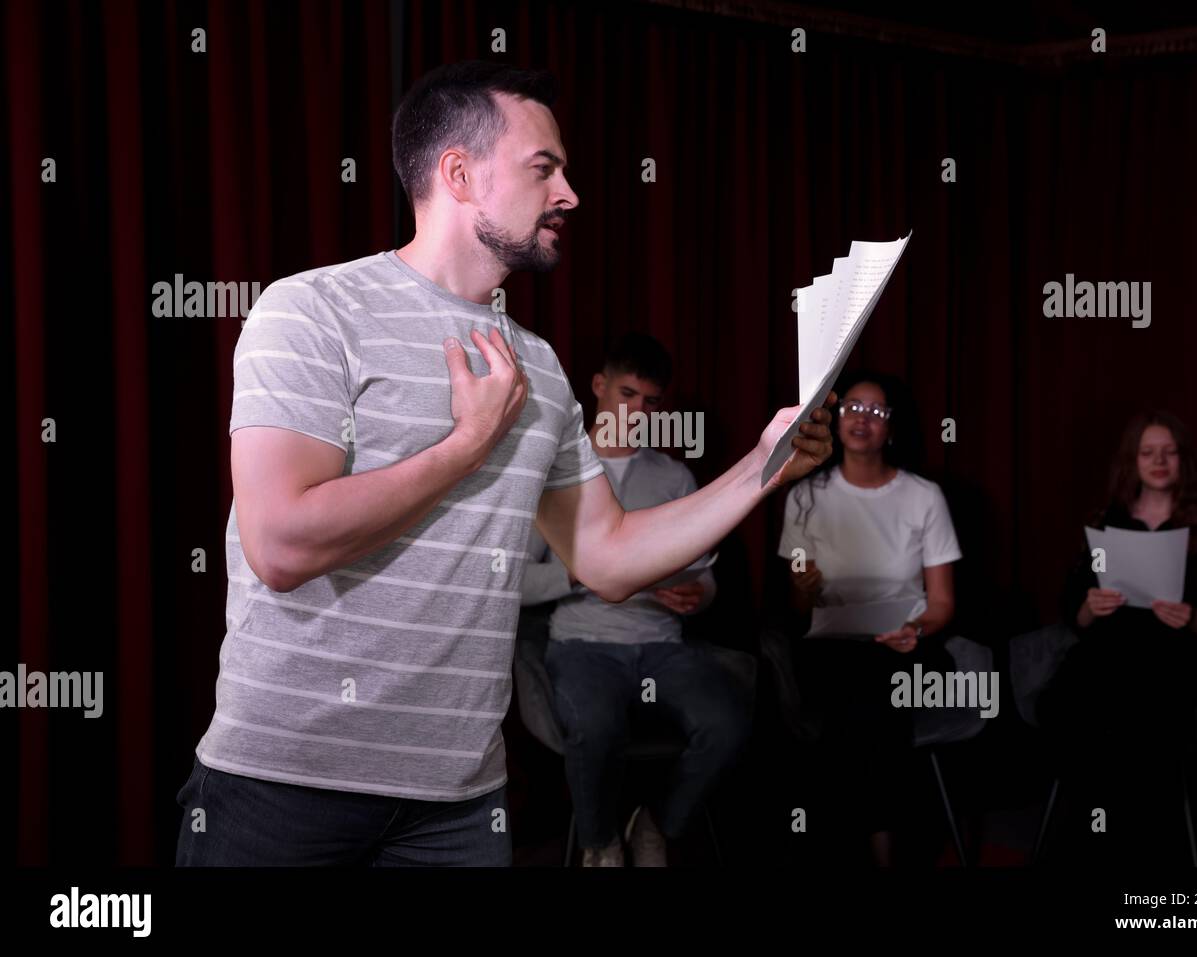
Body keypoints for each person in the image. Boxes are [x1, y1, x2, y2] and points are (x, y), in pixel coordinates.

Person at [174, 60, 832, 866]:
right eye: (544, 168)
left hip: (459, 805)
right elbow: (281, 546)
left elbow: (608, 557)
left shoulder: (541, 367)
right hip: (285, 786)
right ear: (459, 173)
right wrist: (465, 447)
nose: (571, 195)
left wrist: (764, 464)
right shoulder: (311, 310)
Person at [522, 332, 750, 867]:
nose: (638, 410)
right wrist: (587, 575)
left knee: (730, 722)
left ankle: (657, 824)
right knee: (595, 727)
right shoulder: (556, 474)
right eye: (627, 394)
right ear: (599, 387)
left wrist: (699, 595)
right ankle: (600, 842)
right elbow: (516, 584)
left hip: (661, 645)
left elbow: (704, 575)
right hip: (583, 643)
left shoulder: (673, 477)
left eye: (650, 401)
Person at [1040, 411, 1197, 863]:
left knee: (1140, 718)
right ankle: (1091, 839)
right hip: (1109, 650)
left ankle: (1133, 846)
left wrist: (1193, 618)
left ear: (1183, 461)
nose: (1158, 461)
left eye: (1168, 453)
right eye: (1147, 453)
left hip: (1172, 655)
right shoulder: (1106, 519)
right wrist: (1089, 607)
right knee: (1074, 703)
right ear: (1131, 462)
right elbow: (1071, 605)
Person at [776, 371, 961, 866]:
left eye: (877, 412)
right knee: (855, 692)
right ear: (835, 421)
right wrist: (803, 590)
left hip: (908, 644)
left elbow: (942, 603)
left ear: (892, 429)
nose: (862, 419)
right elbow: (799, 608)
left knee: (874, 695)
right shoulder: (804, 498)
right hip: (831, 648)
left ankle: (854, 850)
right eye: (852, 407)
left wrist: (915, 629)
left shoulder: (924, 497)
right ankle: (881, 846)